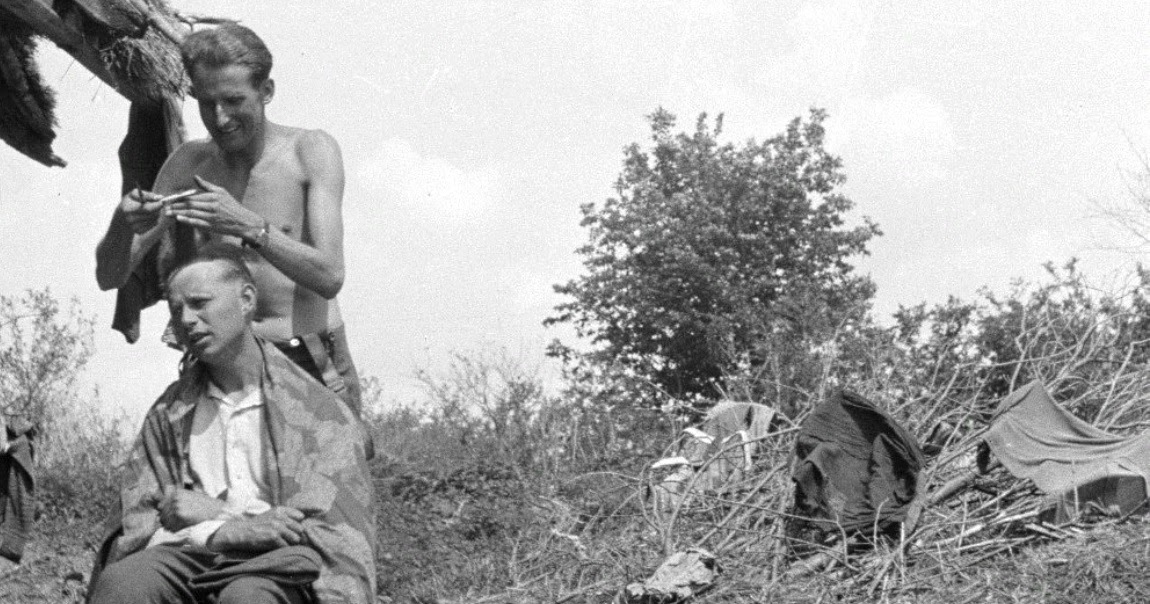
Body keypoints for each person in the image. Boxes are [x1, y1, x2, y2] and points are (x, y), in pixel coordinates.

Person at [94, 23, 363, 416]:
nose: (220, 118)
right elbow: (110, 277)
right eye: (206, 104)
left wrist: (247, 226)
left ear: (266, 92)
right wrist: (122, 222)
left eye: (234, 101)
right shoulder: (189, 165)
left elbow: (329, 277)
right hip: (222, 369)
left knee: (325, 478)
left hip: (306, 355)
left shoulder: (310, 152)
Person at [87, 244, 375, 604]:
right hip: (193, 554)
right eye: (177, 310)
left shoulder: (319, 413)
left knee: (247, 597)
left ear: (247, 299)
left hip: (280, 570)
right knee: (124, 583)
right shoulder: (169, 413)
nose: (187, 320)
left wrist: (221, 513)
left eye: (199, 302)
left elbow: (335, 540)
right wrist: (223, 530)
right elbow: (135, 527)